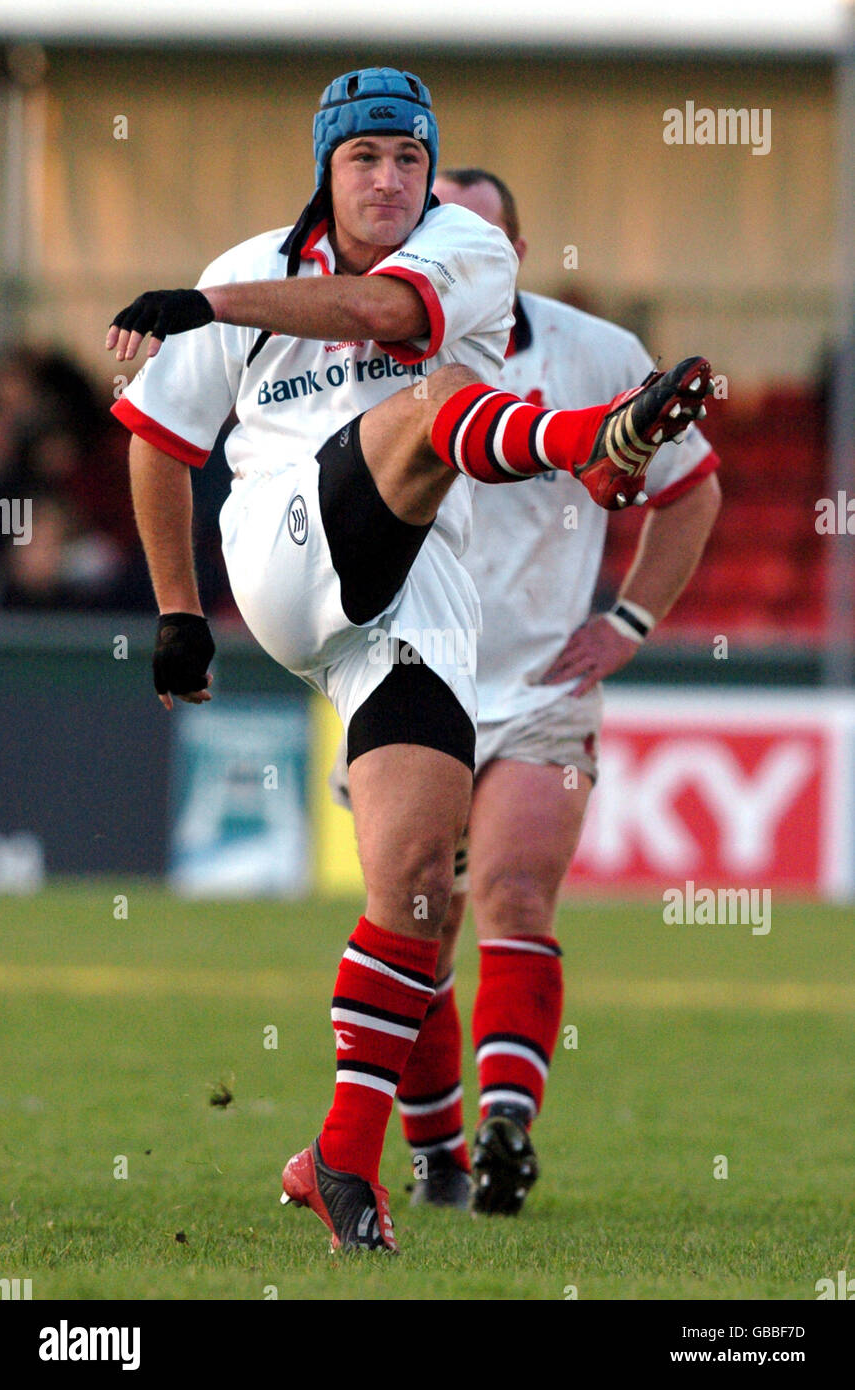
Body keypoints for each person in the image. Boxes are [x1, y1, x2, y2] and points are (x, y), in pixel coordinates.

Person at [106, 71, 714, 1252]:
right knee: (434, 399)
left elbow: (381, 315)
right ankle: (597, 438)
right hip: (285, 546)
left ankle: (341, 1157)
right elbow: (157, 439)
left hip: (415, 611)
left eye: (405, 158)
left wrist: (205, 298)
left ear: (432, 172)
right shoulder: (249, 269)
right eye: (363, 158)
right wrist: (178, 610)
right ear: (324, 170)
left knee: (418, 890)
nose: (389, 179)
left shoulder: (461, 250)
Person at [337, 167, 721, 1215]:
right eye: (443, 231)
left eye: (486, 236)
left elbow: (690, 488)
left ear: (513, 250)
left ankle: (505, 1123)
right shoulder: (361, 354)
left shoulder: (595, 354)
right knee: (418, 914)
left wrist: (626, 621)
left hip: (540, 685)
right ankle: (436, 1152)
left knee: (508, 889)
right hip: (407, 675)